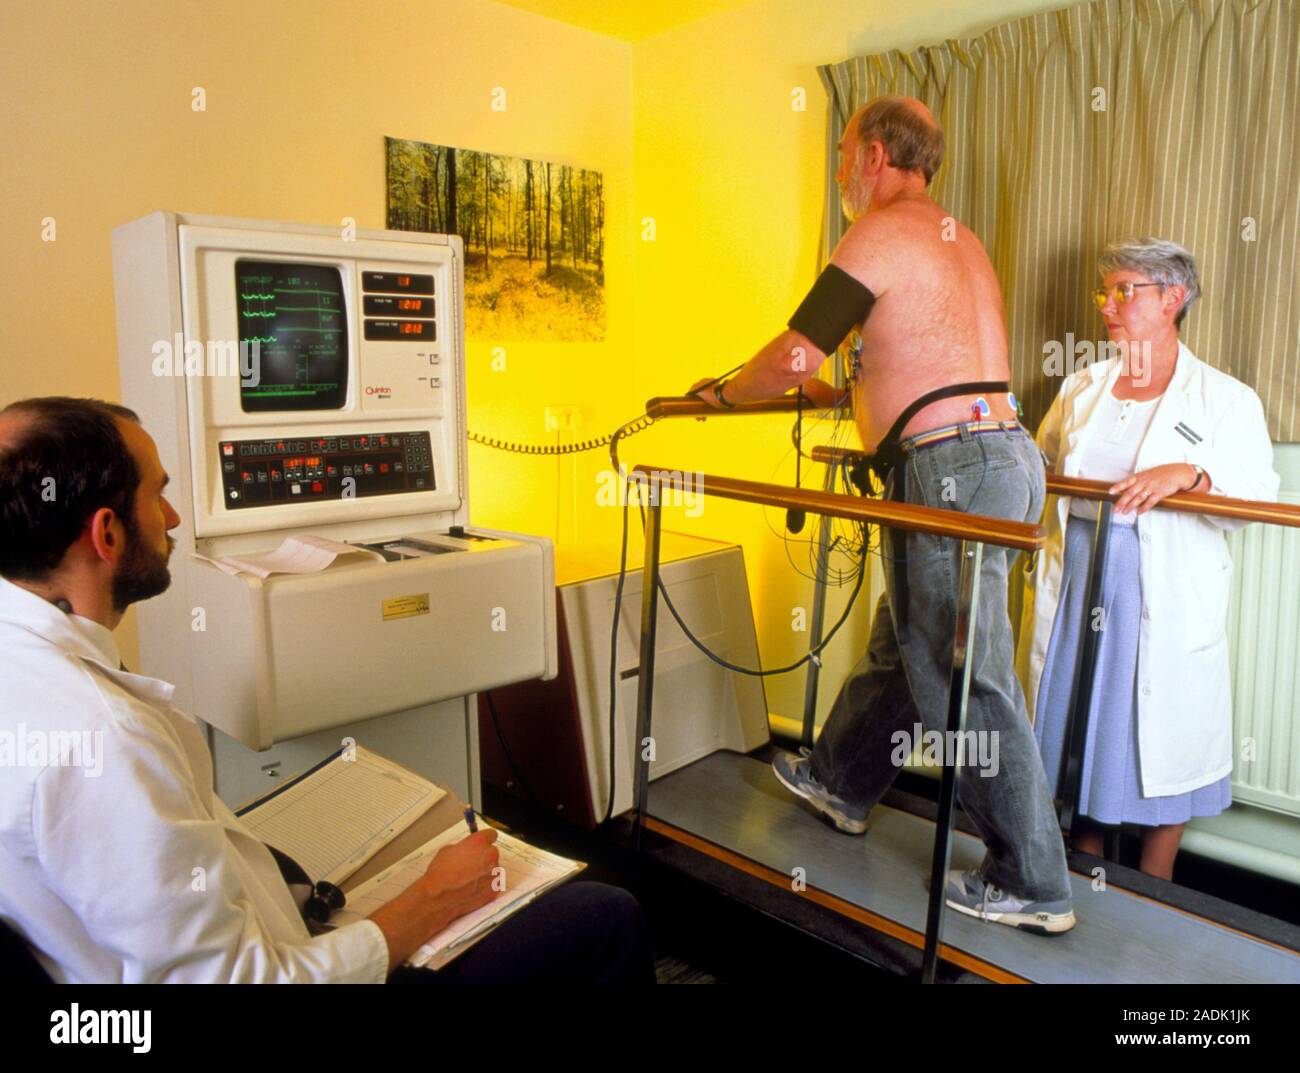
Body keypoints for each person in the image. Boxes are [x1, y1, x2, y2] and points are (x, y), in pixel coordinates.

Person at [0, 396, 653, 984]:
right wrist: (428, 903)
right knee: (603, 913)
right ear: (107, 534)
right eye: (157, 495)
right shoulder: (107, 743)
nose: (172, 517)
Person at [690, 96, 1075, 933]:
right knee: (911, 642)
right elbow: (897, 361)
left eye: (839, 154)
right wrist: (839, 393)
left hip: (948, 470)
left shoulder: (879, 230)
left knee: (963, 675)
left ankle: (1031, 876)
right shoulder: (952, 237)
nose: (836, 173)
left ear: (872, 154)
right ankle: (840, 777)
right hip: (996, 458)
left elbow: (796, 354)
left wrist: (720, 392)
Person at [1019, 238, 1280, 880]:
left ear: (1173, 299)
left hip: (1156, 586)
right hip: (1080, 575)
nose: (1108, 305)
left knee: (1155, 738)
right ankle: (1082, 874)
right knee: (1082, 727)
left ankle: (1156, 895)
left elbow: (1254, 499)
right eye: (1102, 292)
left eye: (1123, 291)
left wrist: (1189, 474)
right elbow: (1045, 462)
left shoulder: (1225, 398)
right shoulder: (1083, 386)